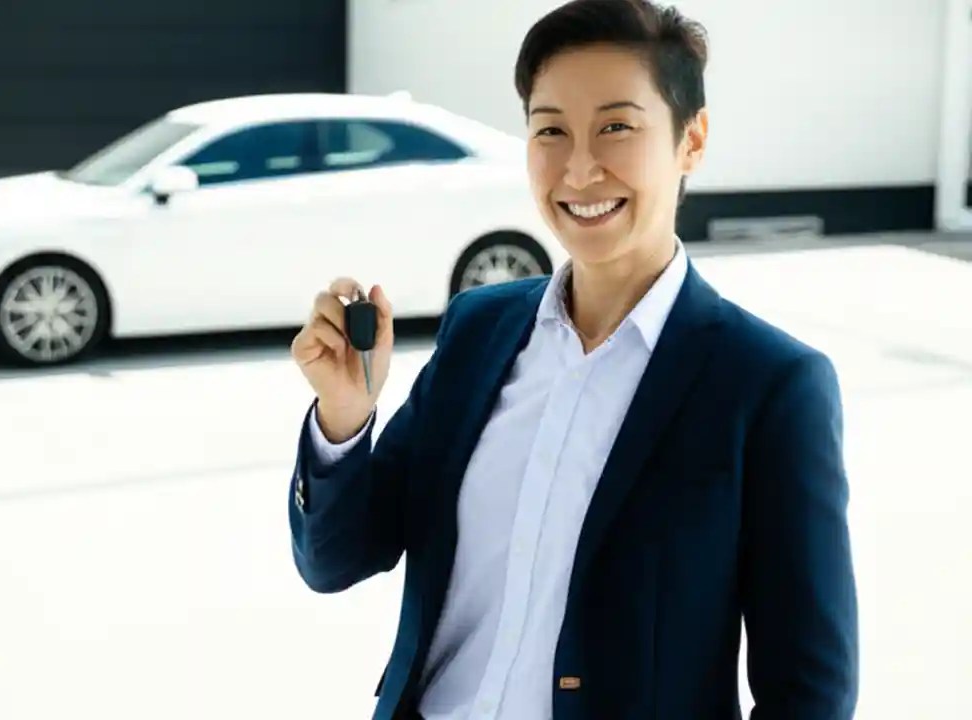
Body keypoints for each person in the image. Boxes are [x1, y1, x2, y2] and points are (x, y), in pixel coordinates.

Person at [286, 0, 859, 718]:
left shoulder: (769, 387)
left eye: (617, 127)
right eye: (550, 130)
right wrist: (344, 418)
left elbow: (809, 693)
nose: (580, 167)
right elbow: (335, 560)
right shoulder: (479, 331)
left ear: (692, 140)